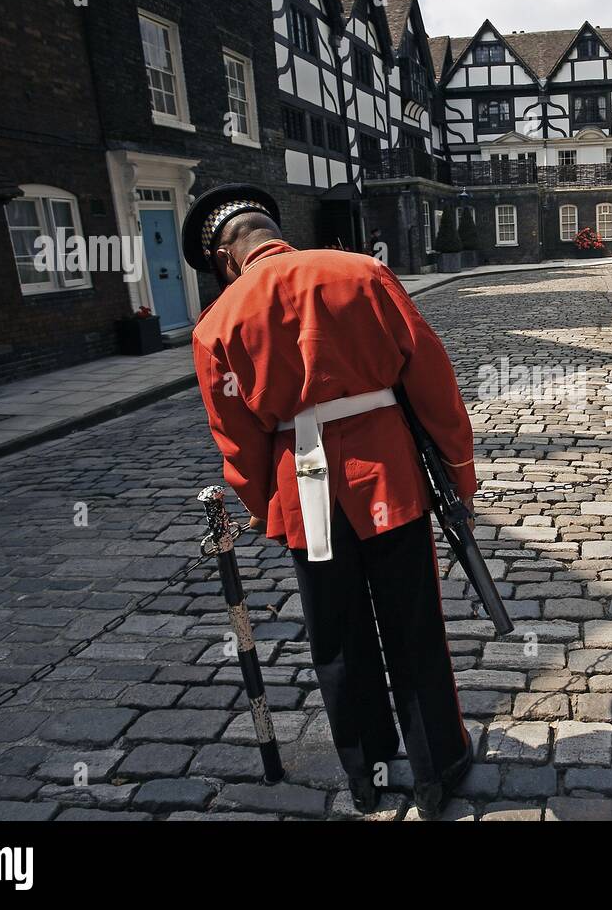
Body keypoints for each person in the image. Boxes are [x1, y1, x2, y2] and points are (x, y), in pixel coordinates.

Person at [182, 184, 476, 819]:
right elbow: (431, 380)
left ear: (225, 260)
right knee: (414, 627)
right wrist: (458, 474)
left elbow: (238, 443)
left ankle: (367, 772)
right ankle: (436, 769)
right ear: (271, 230)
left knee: (337, 638)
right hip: (387, 476)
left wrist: (267, 509)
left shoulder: (217, 323)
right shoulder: (364, 271)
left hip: (301, 488)